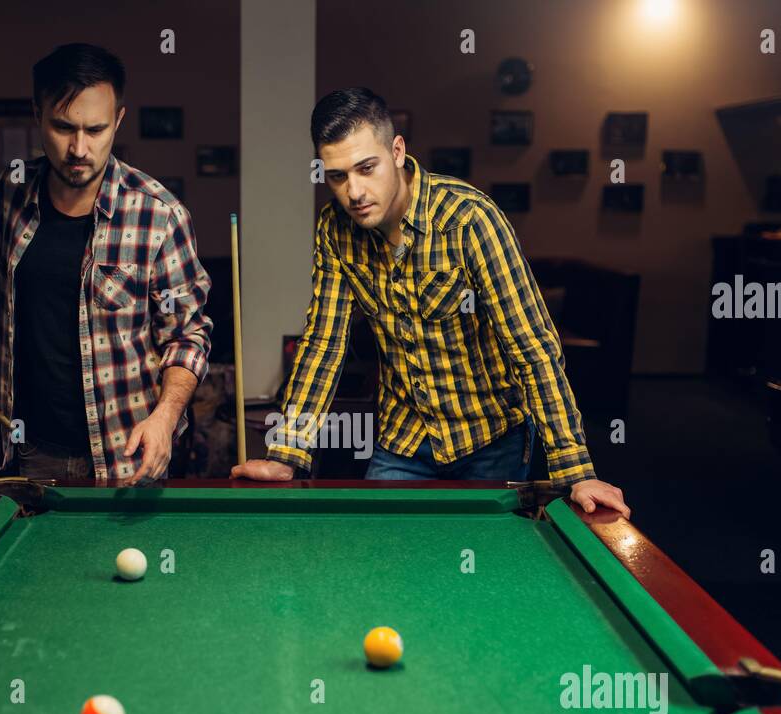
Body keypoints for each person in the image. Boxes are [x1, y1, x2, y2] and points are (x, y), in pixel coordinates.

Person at [231, 88, 628, 517]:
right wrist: (287, 452)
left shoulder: (470, 219)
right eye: (338, 176)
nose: (355, 192)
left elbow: (531, 346)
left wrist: (576, 469)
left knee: (489, 571)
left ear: (397, 151)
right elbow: (323, 344)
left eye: (367, 168)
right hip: (403, 439)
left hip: (491, 437)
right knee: (379, 560)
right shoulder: (335, 230)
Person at [0, 43, 212, 485]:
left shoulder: (160, 214)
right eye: (63, 127)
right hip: (31, 447)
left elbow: (187, 335)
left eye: (96, 130)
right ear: (37, 114)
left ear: (118, 120)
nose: (79, 148)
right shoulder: (11, 191)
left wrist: (165, 417)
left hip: (128, 452)